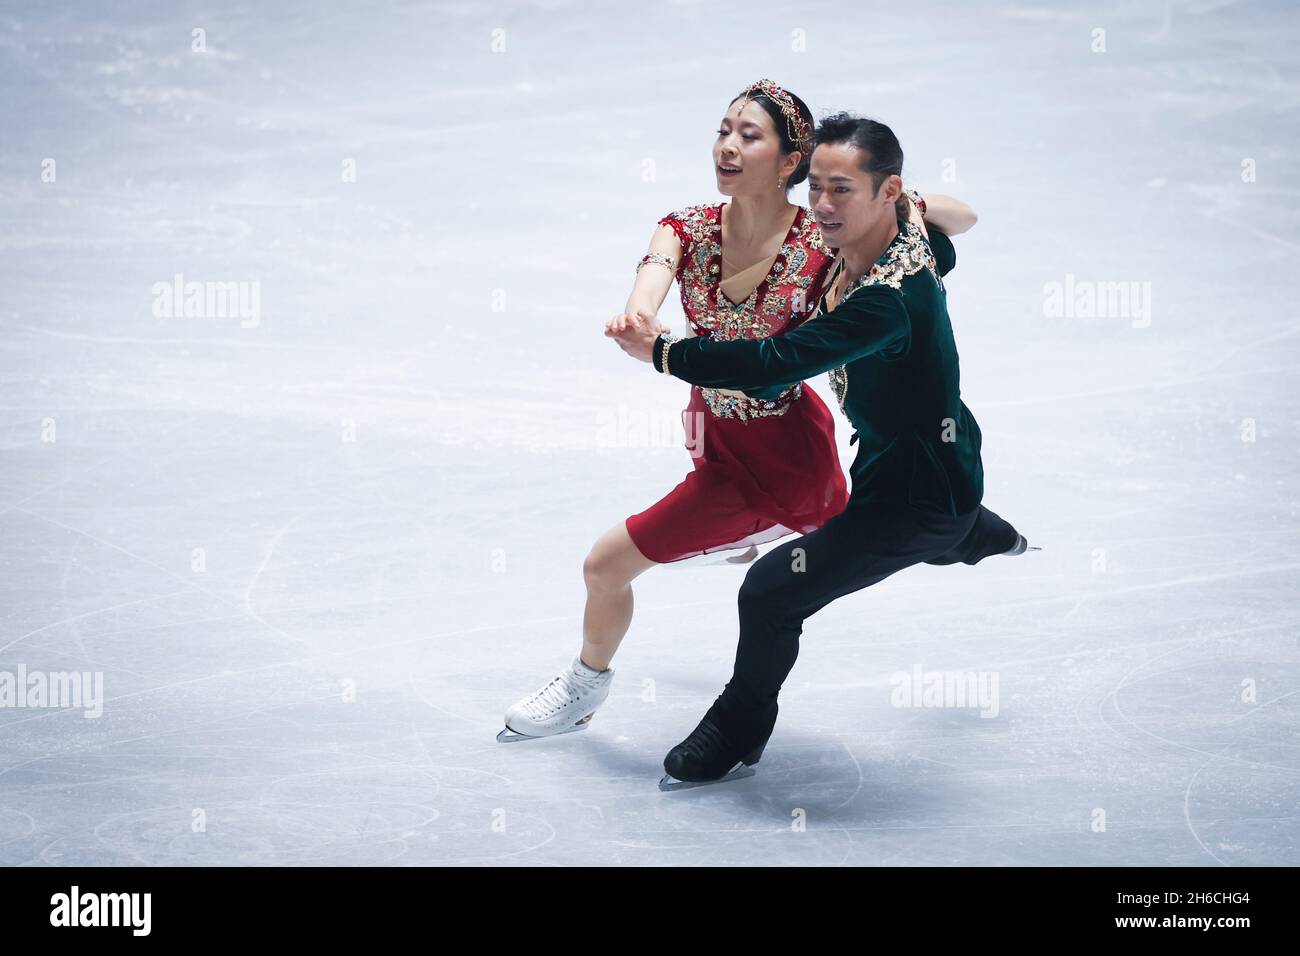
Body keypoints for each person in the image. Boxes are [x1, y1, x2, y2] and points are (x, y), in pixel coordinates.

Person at [499, 80, 978, 743]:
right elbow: (656, 267)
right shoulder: (688, 226)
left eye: (748, 135)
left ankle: (583, 688)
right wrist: (641, 314)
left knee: (606, 565)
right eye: (723, 129)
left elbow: (963, 220)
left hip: (785, 455)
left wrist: (904, 200)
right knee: (869, 532)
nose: (726, 145)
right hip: (711, 432)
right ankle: (952, 530)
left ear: (792, 162)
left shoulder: (825, 236)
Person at [607, 112, 1032, 788]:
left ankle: (740, 724)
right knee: (951, 525)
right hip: (915, 461)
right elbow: (950, 224)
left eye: (843, 191)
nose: (824, 208)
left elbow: (775, 361)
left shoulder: (889, 300)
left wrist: (662, 351)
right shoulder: (884, 236)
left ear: (887, 191)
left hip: (916, 495)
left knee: (772, 592)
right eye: (817, 190)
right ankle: (985, 533)